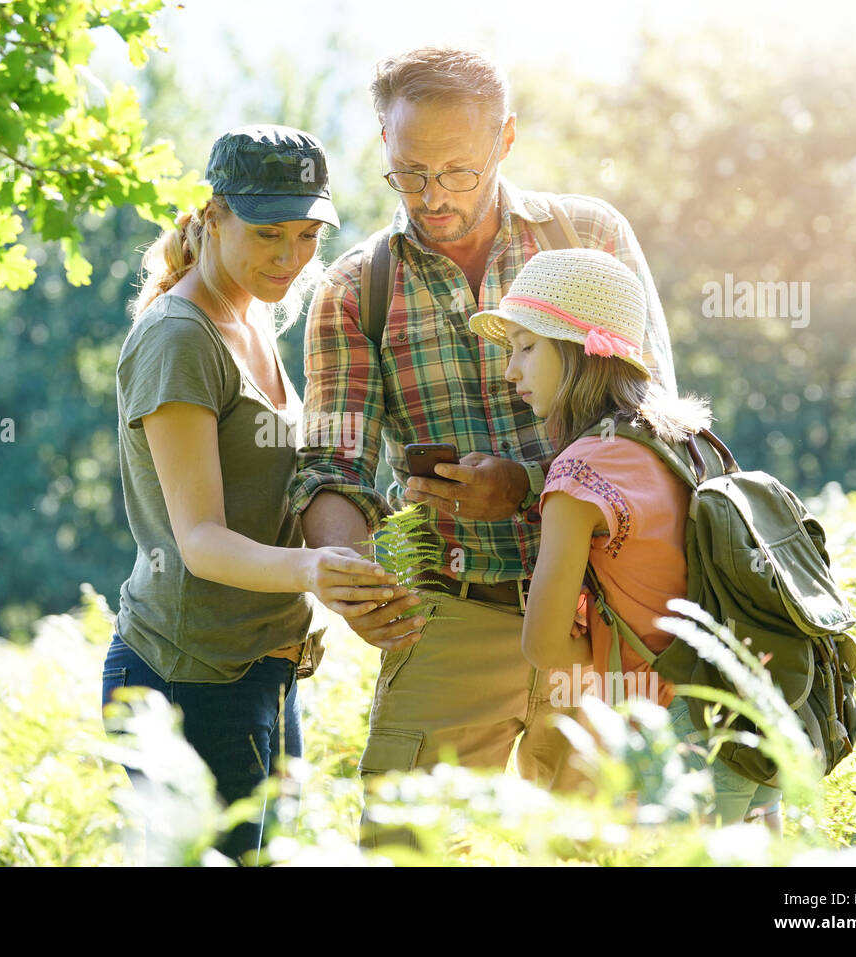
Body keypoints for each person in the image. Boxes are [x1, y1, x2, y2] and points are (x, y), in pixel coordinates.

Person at [290, 48, 677, 809]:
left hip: (608, 617)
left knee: (604, 850)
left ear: (505, 141)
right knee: (412, 846)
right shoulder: (352, 291)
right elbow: (330, 466)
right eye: (409, 173)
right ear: (384, 147)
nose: (432, 197)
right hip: (453, 612)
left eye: (458, 171)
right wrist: (354, 577)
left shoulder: (586, 239)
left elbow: (658, 430)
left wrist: (529, 487)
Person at [102, 125, 399, 863]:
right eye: (269, 232)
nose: (291, 257)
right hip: (187, 676)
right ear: (213, 212)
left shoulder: (257, 311)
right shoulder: (179, 338)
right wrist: (312, 572)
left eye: (306, 234)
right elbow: (199, 541)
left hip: (262, 668)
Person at [468, 246, 782, 826]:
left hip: (676, 735)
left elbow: (541, 645)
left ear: (579, 353)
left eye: (526, 347)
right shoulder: (684, 441)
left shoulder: (576, 475)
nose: (510, 370)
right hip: (749, 714)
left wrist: (608, 659)